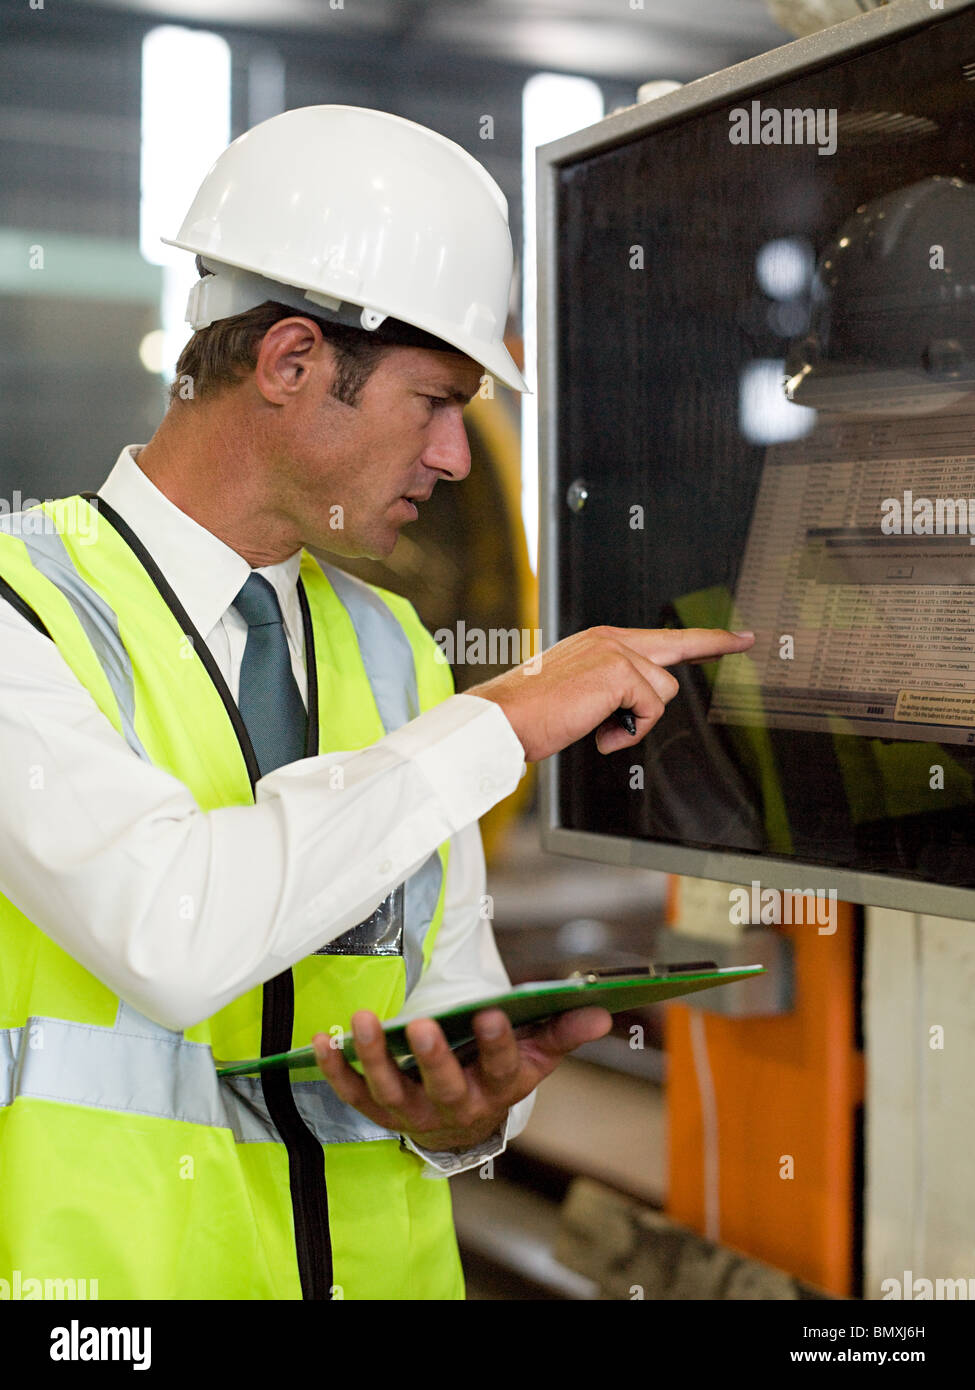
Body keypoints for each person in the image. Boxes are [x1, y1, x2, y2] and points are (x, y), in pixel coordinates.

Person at [0, 105, 754, 1300]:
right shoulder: (20, 614)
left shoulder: (394, 651)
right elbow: (174, 933)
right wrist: (503, 721)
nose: (458, 458)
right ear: (292, 362)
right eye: (436, 401)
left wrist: (466, 1112)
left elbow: (449, 991)